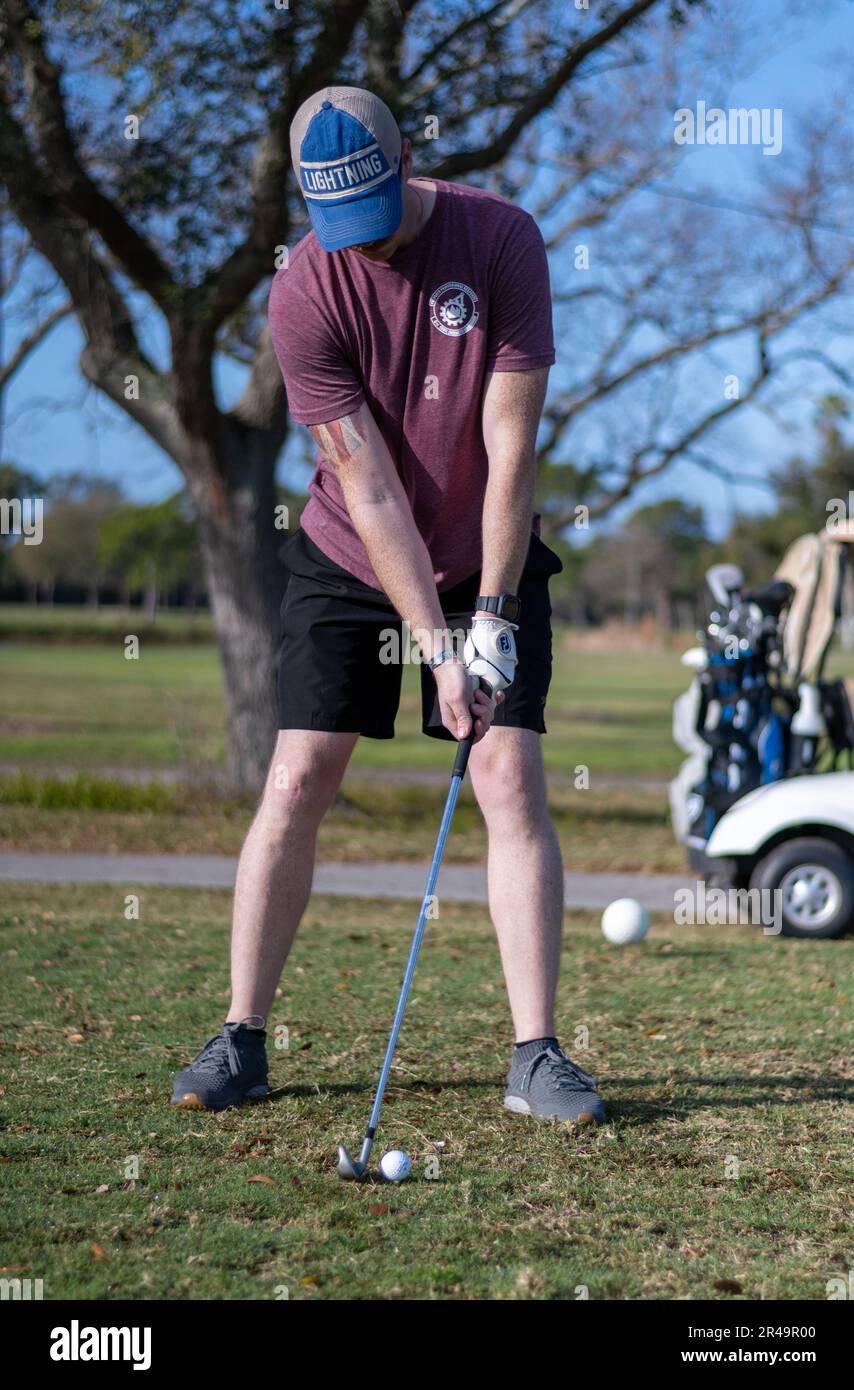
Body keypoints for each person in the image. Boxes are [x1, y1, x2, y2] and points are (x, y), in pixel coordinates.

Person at [171, 86, 604, 1127]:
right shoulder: (302, 292)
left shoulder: (498, 238)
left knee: (505, 772)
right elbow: (365, 488)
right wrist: (433, 647)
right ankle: (240, 1036)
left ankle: (534, 1053)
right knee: (298, 772)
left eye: (374, 216)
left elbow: (509, 446)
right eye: (339, 227)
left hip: (482, 543)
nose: (362, 249)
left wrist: (489, 616)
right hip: (346, 553)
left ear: (406, 158)